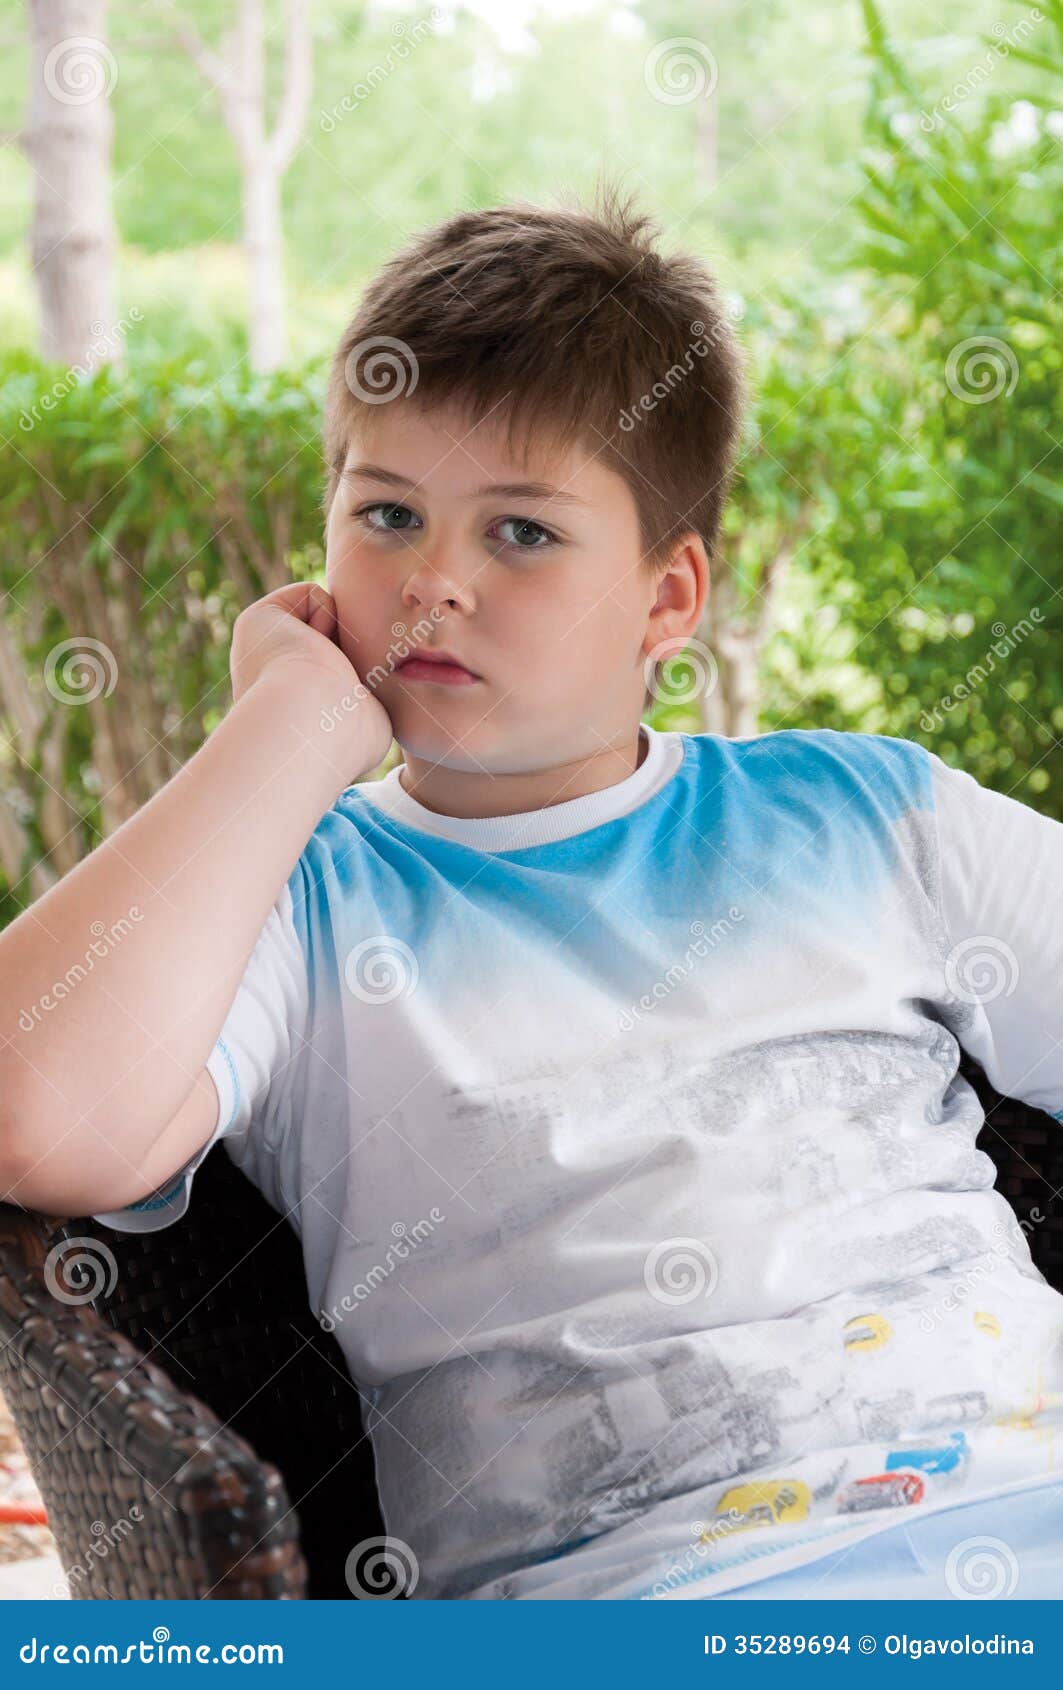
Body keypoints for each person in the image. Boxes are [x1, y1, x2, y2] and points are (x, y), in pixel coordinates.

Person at [2, 184, 1062, 1603]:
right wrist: (286, 735)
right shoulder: (305, 901)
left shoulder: (872, 817)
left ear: (668, 600)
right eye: (385, 514)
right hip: (652, 1593)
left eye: (521, 533)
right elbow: (30, 1111)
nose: (431, 584)